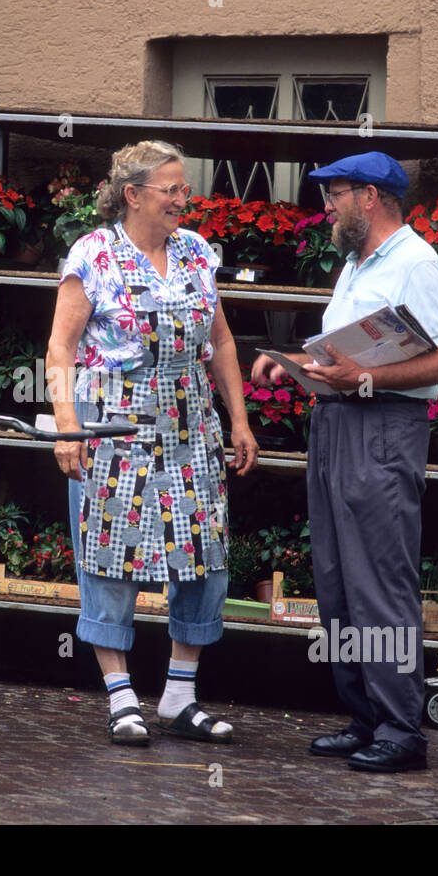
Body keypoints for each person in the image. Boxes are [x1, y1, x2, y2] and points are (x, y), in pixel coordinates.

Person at [252, 151, 438, 773]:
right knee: (338, 579)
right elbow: (351, 352)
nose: (327, 205)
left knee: (380, 582)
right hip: (337, 420)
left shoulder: (415, 262)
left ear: (370, 197)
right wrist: (292, 362)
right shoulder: (354, 262)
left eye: (335, 193)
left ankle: (402, 730)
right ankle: (366, 717)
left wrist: (363, 376)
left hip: (383, 427)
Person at [47, 140, 259, 746]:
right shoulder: (93, 254)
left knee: (203, 550)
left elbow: (220, 342)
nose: (181, 199)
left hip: (191, 422)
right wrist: (67, 424)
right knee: (110, 551)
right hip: (113, 419)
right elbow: (60, 347)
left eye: (183, 188)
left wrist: (238, 421)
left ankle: (179, 695)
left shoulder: (195, 253)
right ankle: (120, 697)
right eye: (170, 188)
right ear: (133, 194)